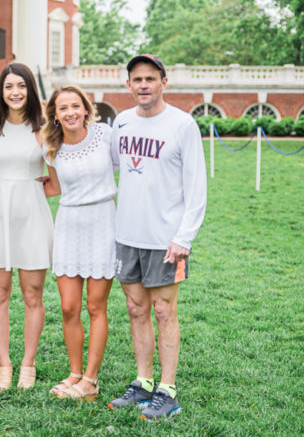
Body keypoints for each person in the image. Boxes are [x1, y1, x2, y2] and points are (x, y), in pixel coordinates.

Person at [107, 55, 207, 420]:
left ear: (165, 81)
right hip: (127, 234)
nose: (144, 85)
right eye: (137, 79)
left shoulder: (182, 125)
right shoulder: (121, 122)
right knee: (136, 309)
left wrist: (185, 237)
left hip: (167, 239)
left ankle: (168, 391)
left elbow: (196, 187)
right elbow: (111, 168)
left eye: (151, 78)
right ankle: (143, 383)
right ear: (129, 84)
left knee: (164, 310)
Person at [0, 63, 53, 391]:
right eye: (9, 86)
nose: (15, 92)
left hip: (33, 212)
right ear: (1, 91)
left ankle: (28, 364)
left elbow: (60, 174)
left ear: (30, 89)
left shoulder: (45, 127)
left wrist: (37, 190)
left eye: (21, 86)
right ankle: (5, 364)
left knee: (33, 293)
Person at [40, 84, 117, 402]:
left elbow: (127, 168)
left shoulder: (105, 136)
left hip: (102, 222)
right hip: (69, 224)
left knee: (96, 306)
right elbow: (54, 187)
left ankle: (90, 380)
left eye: (76, 106)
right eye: (63, 108)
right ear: (55, 115)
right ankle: (74, 373)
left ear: (86, 109)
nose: (70, 112)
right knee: (69, 307)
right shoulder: (51, 147)